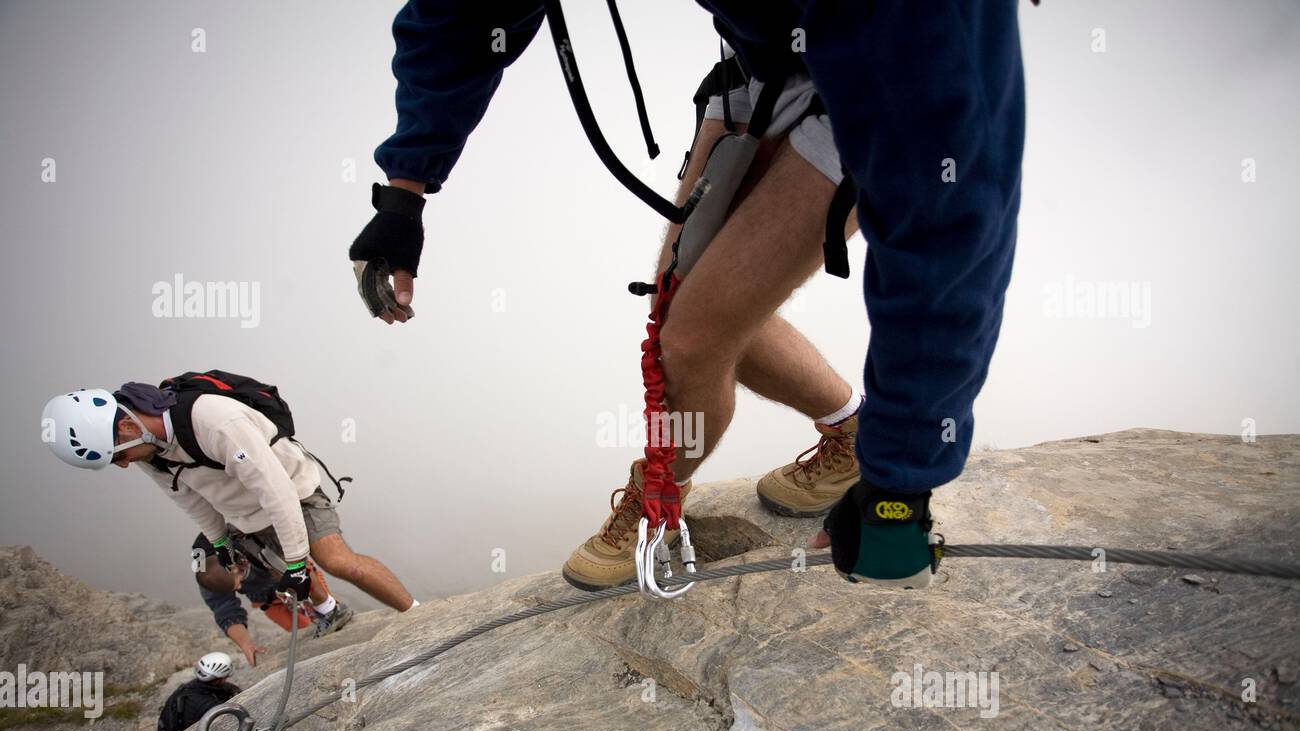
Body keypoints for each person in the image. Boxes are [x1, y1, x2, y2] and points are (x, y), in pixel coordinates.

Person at [349, 2, 1026, 589]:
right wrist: (404, 189)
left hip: (874, 79)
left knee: (690, 337)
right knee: (689, 311)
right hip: (755, 65)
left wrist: (900, 484)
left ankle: (658, 499)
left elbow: (951, 209)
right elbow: (464, 11)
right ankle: (849, 431)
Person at [41, 378, 420, 611]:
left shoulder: (215, 422)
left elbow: (278, 494)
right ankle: (331, 613)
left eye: (119, 456)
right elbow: (186, 496)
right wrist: (219, 541)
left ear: (126, 425)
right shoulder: (148, 450)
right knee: (291, 572)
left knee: (336, 562)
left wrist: (295, 560)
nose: (124, 465)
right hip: (247, 514)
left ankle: (418, 614)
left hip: (294, 491)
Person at [192, 532, 354, 666]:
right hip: (267, 597)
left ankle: (344, 638)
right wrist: (246, 644)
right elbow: (224, 609)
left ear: (237, 565)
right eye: (236, 588)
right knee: (306, 632)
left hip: (293, 572)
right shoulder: (208, 574)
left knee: (331, 615)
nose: (240, 588)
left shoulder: (242, 535)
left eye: (239, 582)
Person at [157, 652, 242, 731]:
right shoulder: (203, 704)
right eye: (225, 677)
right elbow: (229, 717)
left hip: (166, 730)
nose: (226, 679)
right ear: (219, 678)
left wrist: (235, 691)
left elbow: (224, 687)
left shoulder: (196, 686)